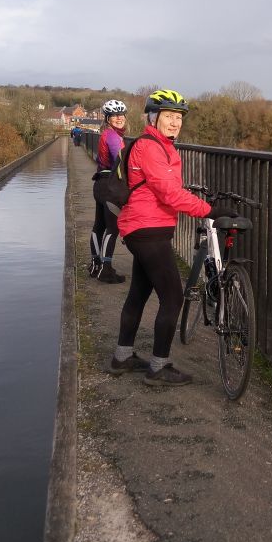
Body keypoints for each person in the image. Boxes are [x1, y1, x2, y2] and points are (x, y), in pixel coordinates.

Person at [109, 89, 237, 385]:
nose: (174, 122)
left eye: (178, 117)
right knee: (173, 297)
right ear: (153, 118)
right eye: (168, 116)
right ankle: (158, 367)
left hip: (142, 227)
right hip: (148, 229)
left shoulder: (159, 145)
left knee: (139, 293)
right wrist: (210, 209)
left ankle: (122, 357)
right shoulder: (151, 147)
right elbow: (168, 192)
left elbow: (165, 188)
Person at [90, 99, 130, 283]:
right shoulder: (114, 137)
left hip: (99, 184)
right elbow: (120, 162)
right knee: (112, 228)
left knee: (99, 226)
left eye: (121, 114)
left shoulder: (105, 134)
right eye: (114, 115)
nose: (119, 118)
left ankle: (95, 265)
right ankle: (105, 270)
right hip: (108, 186)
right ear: (108, 118)